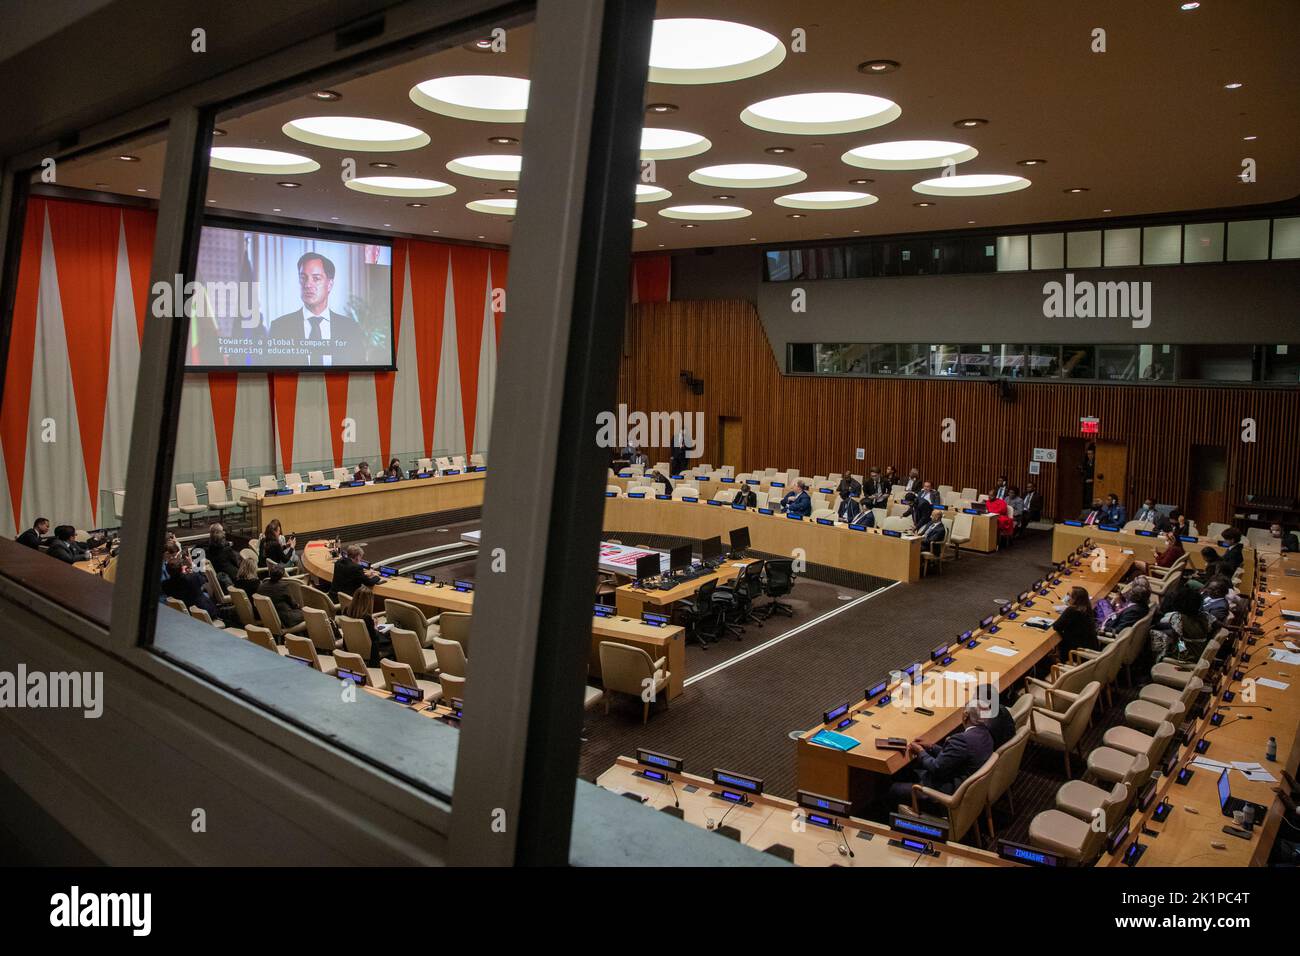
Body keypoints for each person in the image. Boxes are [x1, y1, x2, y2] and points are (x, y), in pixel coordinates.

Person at [886, 700, 995, 814]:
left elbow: (936, 768)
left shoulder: (962, 740)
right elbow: (955, 756)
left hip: (946, 797)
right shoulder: (986, 735)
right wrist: (932, 747)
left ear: (965, 715)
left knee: (892, 789)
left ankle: (895, 828)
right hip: (967, 792)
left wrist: (920, 751)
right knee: (908, 772)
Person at [267, 252, 367, 366]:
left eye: (316, 278)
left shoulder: (350, 328)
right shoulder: (280, 327)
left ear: (329, 284)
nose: (308, 285)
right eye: (303, 278)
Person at [1150, 583, 1211, 663]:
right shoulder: (1205, 616)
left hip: (1187, 656)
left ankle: (1155, 662)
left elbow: (1179, 640)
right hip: (1202, 651)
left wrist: (1180, 652)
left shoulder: (1178, 618)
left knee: (1153, 633)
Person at [345, 586, 391, 665]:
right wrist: (375, 626)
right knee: (392, 640)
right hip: (371, 650)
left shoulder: (346, 610)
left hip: (351, 644)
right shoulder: (366, 618)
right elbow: (374, 638)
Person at [1053, 586, 1099, 658]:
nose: (1067, 597)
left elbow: (1056, 626)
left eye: (1068, 595)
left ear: (1075, 599)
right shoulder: (1087, 607)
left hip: (1077, 652)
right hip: (1091, 647)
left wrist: (1065, 612)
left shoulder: (1072, 610)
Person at [257, 563, 303, 628]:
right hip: (285, 619)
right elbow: (293, 604)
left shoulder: (261, 586)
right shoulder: (283, 587)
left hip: (268, 618)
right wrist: (300, 607)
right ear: (282, 575)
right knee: (308, 614)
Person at [1079, 445, 1096, 509]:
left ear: (1094, 454)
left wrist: (1093, 480)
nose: (1089, 456)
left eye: (1091, 454)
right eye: (1088, 454)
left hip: (1093, 484)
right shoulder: (1087, 462)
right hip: (1086, 483)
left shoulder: (1096, 462)